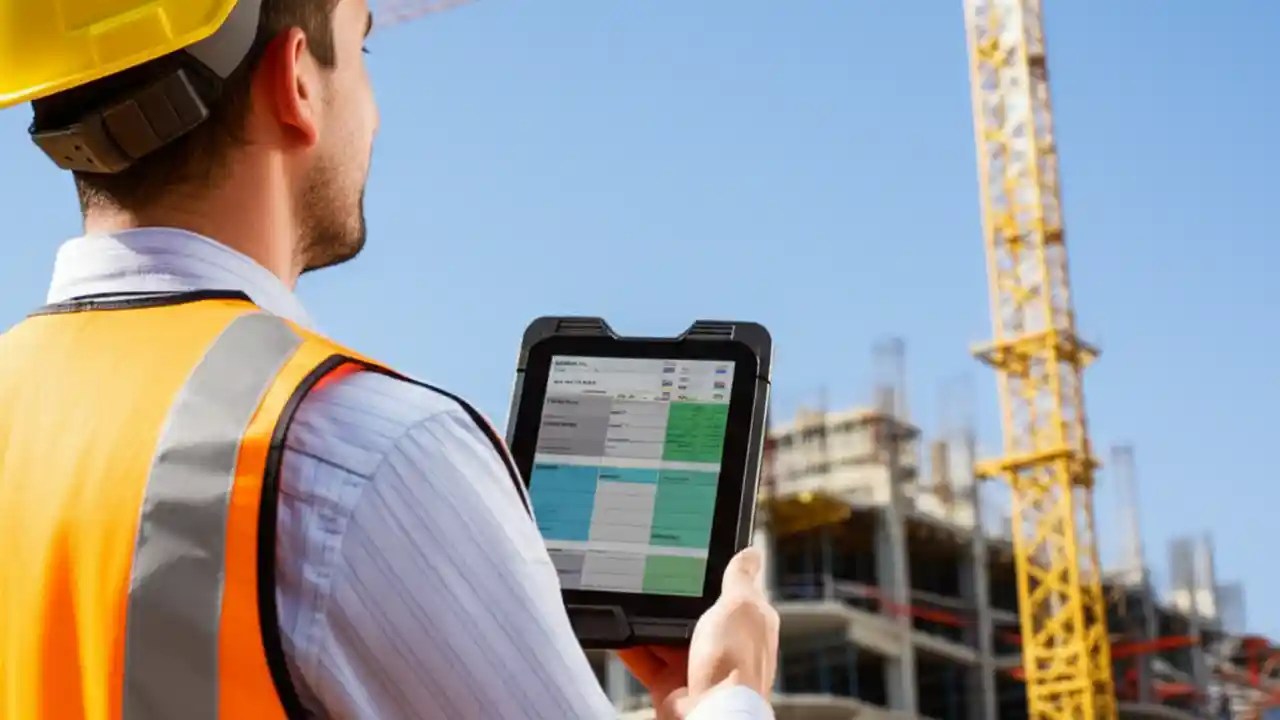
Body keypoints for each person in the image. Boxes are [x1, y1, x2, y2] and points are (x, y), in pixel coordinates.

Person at [0, 0, 779, 719]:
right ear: (298, 80)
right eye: (363, 46)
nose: (373, 109)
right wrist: (726, 696)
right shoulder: (361, 448)